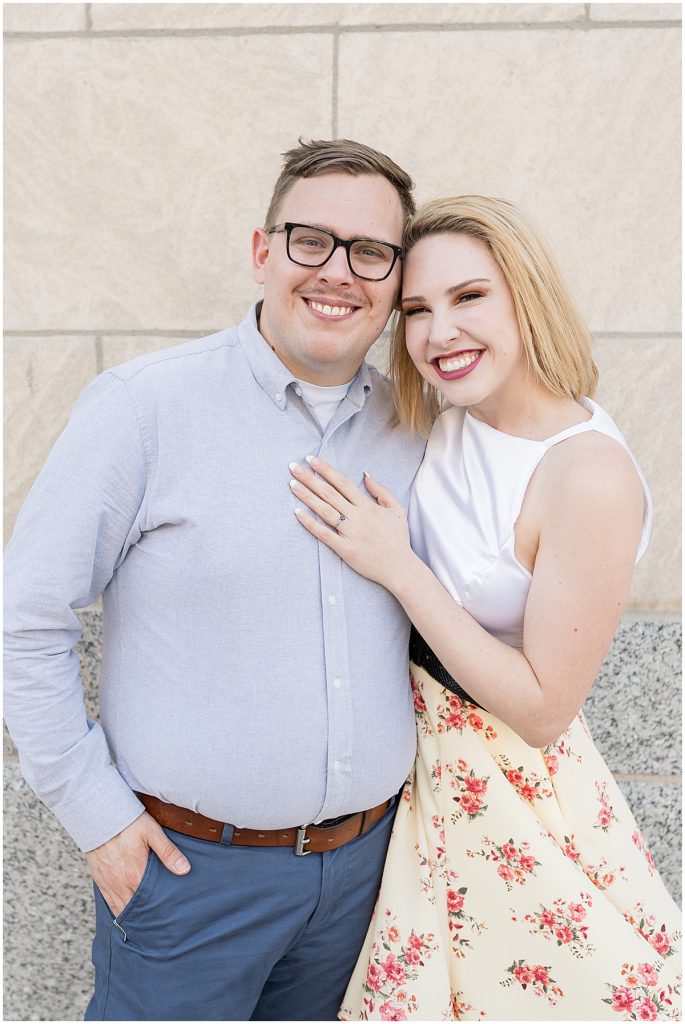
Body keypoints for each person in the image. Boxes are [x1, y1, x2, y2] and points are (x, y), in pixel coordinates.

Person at [3, 138, 427, 1021]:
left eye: (370, 253)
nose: (337, 272)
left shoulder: (415, 426)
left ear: (395, 283)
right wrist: (100, 821)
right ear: (262, 250)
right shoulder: (144, 407)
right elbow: (26, 619)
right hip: (189, 879)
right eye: (311, 240)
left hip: (366, 875)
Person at [288, 195, 682, 1020]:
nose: (439, 333)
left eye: (468, 297)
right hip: (405, 788)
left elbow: (543, 709)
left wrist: (399, 570)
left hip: (505, 794)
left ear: (525, 295)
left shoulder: (586, 475)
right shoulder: (439, 421)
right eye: (416, 310)